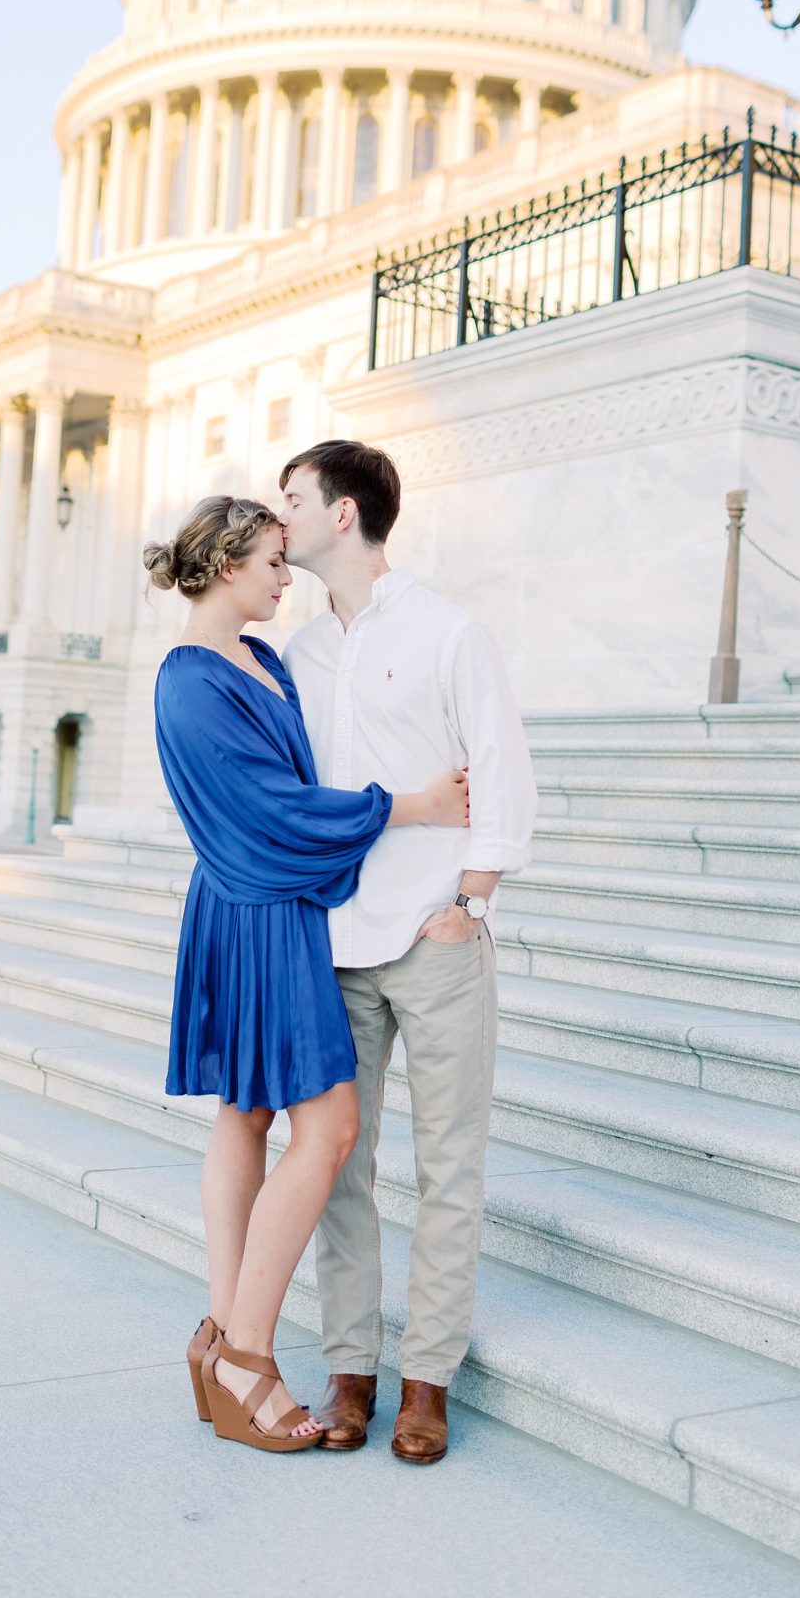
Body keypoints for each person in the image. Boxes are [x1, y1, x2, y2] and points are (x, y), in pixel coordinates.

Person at [144, 495, 470, 1455]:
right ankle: (245, 1356)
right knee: (325, 1129)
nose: (286, 580)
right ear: (226, 565)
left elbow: (304, 781)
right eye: (272, 563)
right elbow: (269, 811)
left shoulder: (264, 659)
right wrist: (410, 807)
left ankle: (219, 1341)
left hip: (277, 907)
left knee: (248, 1115)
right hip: (252, 908)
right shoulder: (188, 679)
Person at [279, 440, 538, 1464]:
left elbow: (501, 768)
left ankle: (427, 1378)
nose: (278, 516)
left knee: (448, 1165)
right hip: (334, 941)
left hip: (433, 932)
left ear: (342, 513)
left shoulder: (447, 632)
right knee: (336, 1165)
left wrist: (470, 902)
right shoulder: (298, 652)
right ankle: (349, 1369)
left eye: (291, 498)